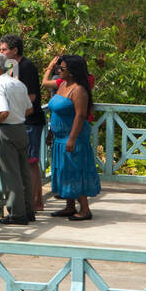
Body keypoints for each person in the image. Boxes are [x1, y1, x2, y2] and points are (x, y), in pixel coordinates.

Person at [43, 54, 100, 220]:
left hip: (73, 136)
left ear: (72, 71)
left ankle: (85, 209)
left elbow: (80, 115)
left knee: (76, 169)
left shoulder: (79, 89)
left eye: (62, 68)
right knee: (63, 170)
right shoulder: (63, 85)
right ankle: (69, 205)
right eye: (59, 68)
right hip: (59, 136)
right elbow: (55, 110)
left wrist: (72, 138)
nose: (59, 70)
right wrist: (51, 132)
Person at [0, 52, 34, 224]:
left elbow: (3, 112)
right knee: (23, 171)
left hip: (7, 131)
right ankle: (28, 210)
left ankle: (17, 213)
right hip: (21, 128)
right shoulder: (17, 83)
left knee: (11, 173)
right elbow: (29, 109)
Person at [0, 34, 44, 213]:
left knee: (31, 162)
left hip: (31, 121)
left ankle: (36, 201)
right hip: (21, 121)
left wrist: (16, 112)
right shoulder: (12, 66)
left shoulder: (26, 67)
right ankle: (30, 201)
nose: (1, 52)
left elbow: (31, 98)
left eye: (4, 49)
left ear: (15, 50)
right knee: (25, 162)